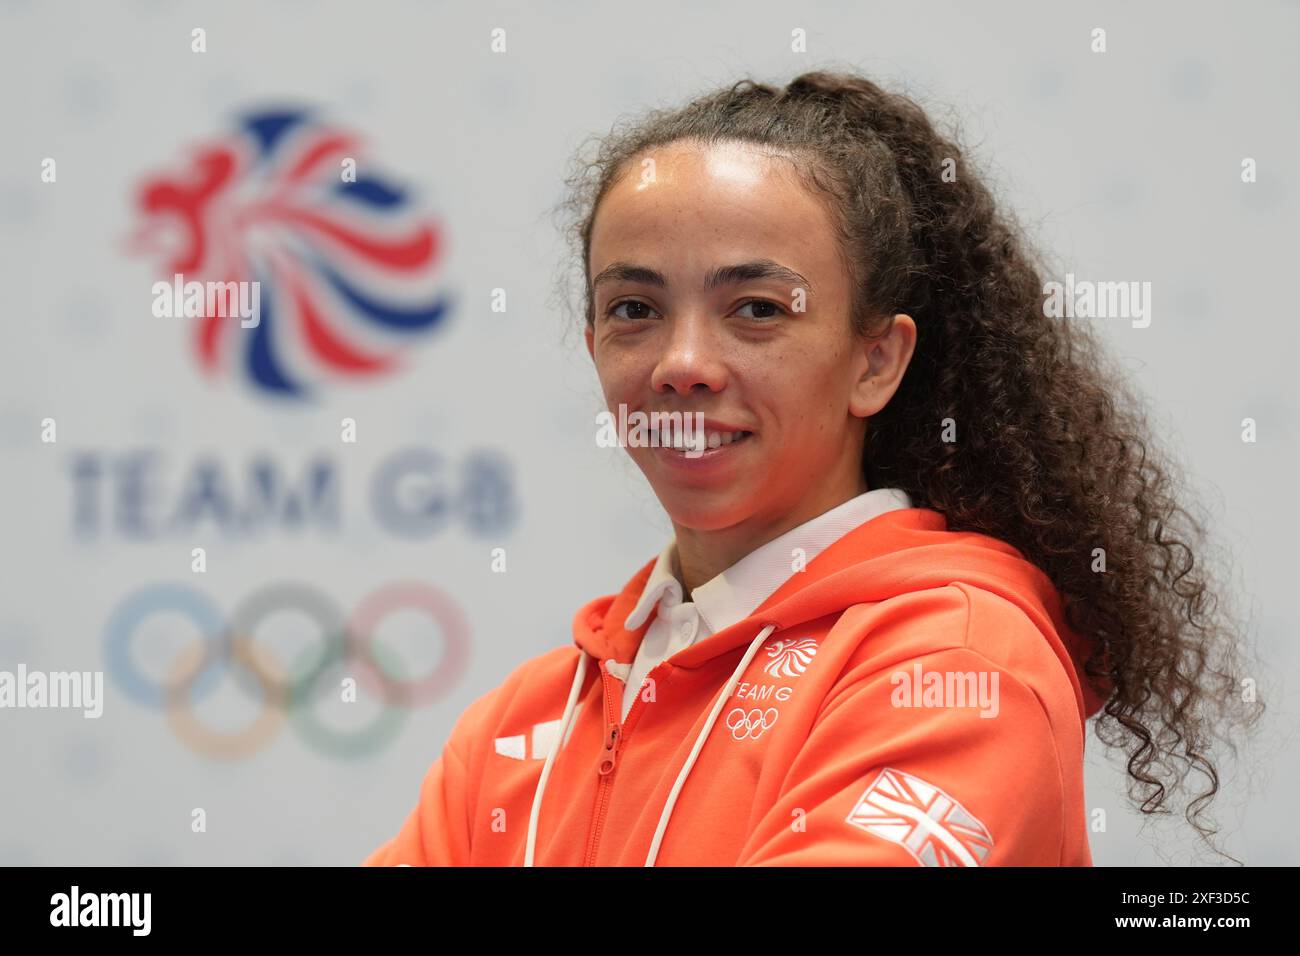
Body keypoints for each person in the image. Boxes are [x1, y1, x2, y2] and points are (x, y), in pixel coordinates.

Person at [364, 70, 1260, 867]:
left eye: (755, 308)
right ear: (593, 343)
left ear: (876, 361)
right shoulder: (523, 724)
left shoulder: (957, 664)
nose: (682, 363)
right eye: (635, 308)